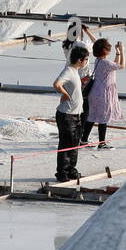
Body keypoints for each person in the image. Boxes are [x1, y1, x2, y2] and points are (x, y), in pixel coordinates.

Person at [52, 45, 90, 182]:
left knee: (75, 143)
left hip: (76, 114)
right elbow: (56, 84)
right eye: (86, 59)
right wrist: (64, 93)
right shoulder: (68, 70)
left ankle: (71, 169)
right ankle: (61, 172)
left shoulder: (75, 72)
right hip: (66, 114)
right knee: (66, 143)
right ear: (80, 60)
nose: (86, 62)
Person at [84, 38, 124, 150]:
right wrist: (122, 51)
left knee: (92, 117)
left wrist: (118, 52)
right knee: (103, 118)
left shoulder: (98, 61)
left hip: (95, 93)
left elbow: (115, 65)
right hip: (103, 93)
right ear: (104, 51)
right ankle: (102, 143)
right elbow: (121, 65)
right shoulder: (105, 63)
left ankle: (83, 140)